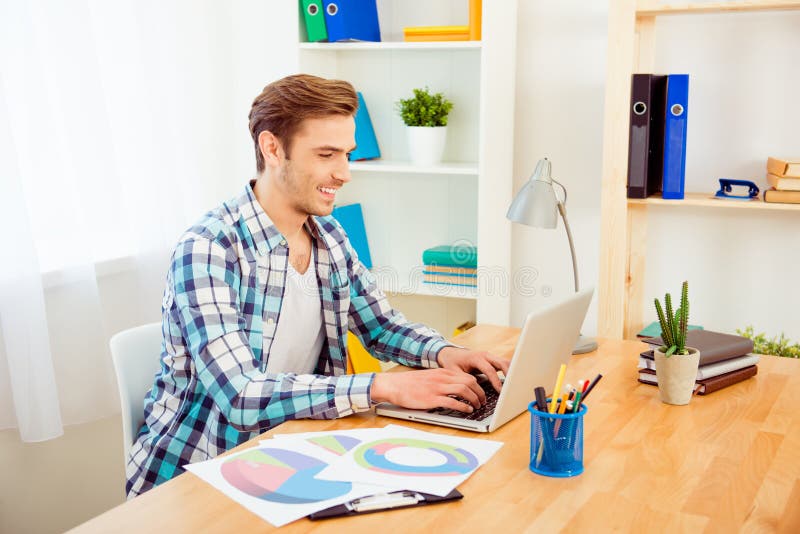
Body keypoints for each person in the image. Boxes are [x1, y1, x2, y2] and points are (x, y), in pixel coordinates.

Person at [125, 74, 509, 498]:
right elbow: (240, 395)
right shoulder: (209, 249)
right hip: (201, 474)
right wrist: (382, 386)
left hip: (295, 454)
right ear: (272, 148)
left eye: (347, 154)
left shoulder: (329, 237)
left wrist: (448, 353)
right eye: (327, 154)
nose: (344, 173)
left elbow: (380, 327)